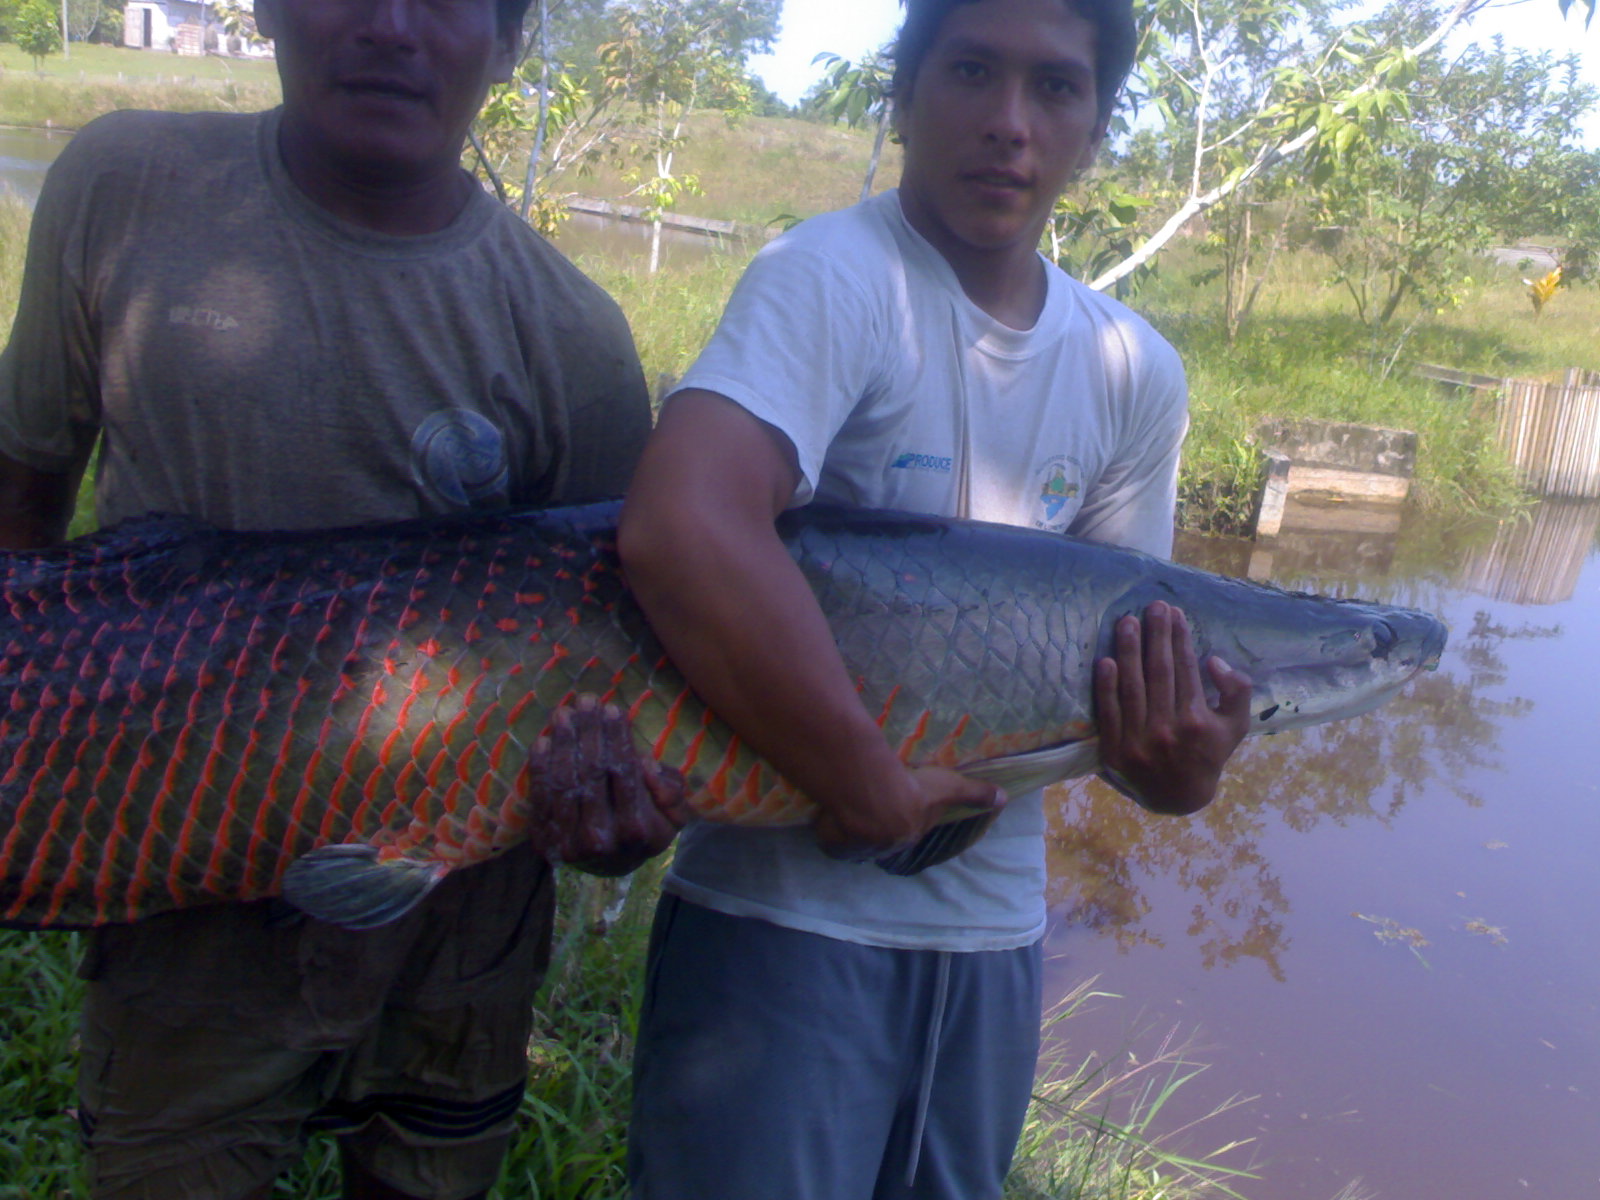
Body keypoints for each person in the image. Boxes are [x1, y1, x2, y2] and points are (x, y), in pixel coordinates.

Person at [0, 1, 683, 1197]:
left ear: (513, 37)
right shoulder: (122, 185)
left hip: (456, 932)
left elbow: (630, 658)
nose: (388, 26)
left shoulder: (573, 335)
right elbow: (22, 512)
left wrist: (620, 810)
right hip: (176, 901)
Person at [617, 0, 1256, 1197]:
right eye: (971, 71)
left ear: (1096, 124)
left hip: (994, 941)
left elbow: (1127, 686)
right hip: (777, 933)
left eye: (1055, 89)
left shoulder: (1133, 369)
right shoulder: (829, 279)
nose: (1009, 125)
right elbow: (683, 524)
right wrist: (866, 784)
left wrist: (1180, 771)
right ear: (904, 93)